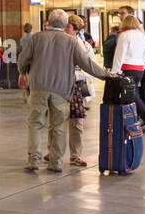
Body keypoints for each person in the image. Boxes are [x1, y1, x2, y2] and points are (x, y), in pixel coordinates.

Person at [18, 9, 109, 172]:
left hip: (38, 88)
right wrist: (106, 75)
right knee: (59, 126)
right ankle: (56, 162)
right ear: (65, 24)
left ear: (49, 22)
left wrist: (23, 72)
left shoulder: (37, 38)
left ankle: (33, 159)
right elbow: (87, 64)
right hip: (61, 90)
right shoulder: (71, 41)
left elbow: (22, 60)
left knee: (35, 124)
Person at [110, 14, 145, 131]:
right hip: (139, 68)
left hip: (127, 68)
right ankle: (137, 118)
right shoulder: (141, 35)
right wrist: (143, 66)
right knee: (133, 93)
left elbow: (119, 54)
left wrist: (114, 71)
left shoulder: (124, 35)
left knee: (133, 95)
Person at [64, 14, 93, 167]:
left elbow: (90, 67)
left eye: (68, 26)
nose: (64, 28)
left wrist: (75, 74)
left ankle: (75, 155)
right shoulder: (58, 44)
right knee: (55, 121)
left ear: (75, 29)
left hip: (75, 87)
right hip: (59, 86)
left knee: (76, 122)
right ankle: (54, 150)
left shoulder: (84, 45)